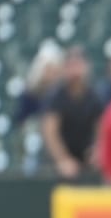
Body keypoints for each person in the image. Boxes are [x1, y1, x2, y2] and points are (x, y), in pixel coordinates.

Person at [41, 47, 103, 179]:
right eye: (71, 65)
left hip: (86, 160)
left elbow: (101, 128)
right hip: (59, 164)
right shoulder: (56, 96)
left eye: (78, 65)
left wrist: (97, 150)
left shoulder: (94, 96)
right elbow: (50, 132)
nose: (75, 70)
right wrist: (63, 160)